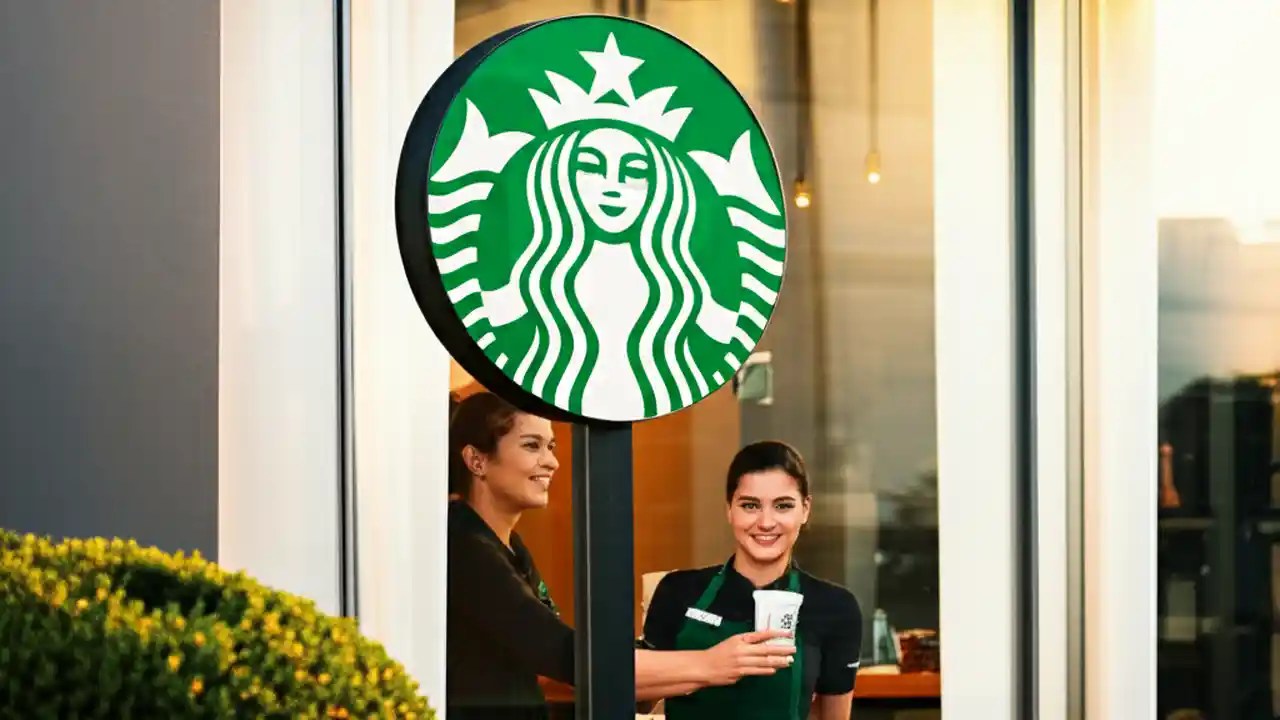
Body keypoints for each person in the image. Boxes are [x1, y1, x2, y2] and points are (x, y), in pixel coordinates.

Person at [446, 392, 797, 719]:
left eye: (550, 446)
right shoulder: (465, 547)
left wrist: (671, 673)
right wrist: (711, 664)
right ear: (476, 460)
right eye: (531, 445)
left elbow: (556, 664)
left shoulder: (510, 547)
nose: (551, 461)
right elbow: (565, 655)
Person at [640, 441, 864, 720]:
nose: (766, 522)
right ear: (729, 509)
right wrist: (709, 665)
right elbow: (633, 695)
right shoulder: (678, 590)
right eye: (750, 505)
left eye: (783, 506)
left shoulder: (835, 607)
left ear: (805, 509)